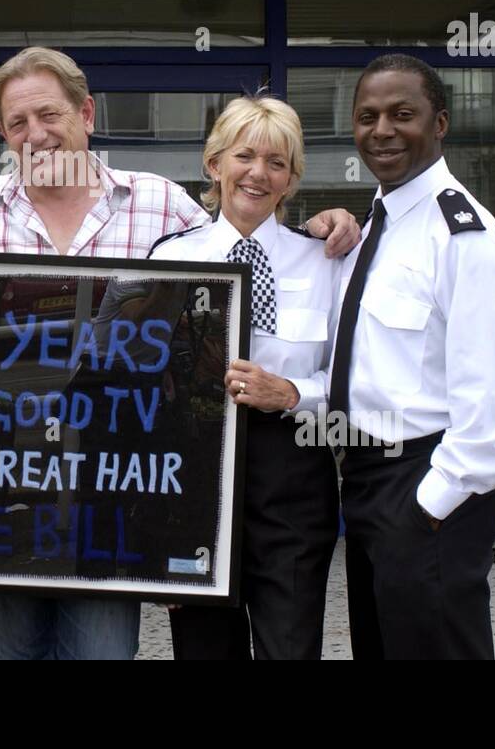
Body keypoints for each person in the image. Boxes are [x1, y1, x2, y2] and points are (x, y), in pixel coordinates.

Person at [0, 46, 362, 661]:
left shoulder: (160, 206)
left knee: (104, 651)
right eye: (18, 123)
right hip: (1, 475)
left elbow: (242, 215)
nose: (36, 134)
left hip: (112, 485)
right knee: (11, 650)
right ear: (2, 134)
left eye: (49, 114)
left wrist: (330, 221)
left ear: (86, 113)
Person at [330, 53, 495, 660]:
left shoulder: (464, 237)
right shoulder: (378, 226)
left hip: (426, 483)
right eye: (367, 116)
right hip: (368, 481)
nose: (382, 131)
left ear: (440, 123)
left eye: (403, 114)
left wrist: (428, 506)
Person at [150, 94, 341, 660]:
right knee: (205, 650)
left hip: (292, 478)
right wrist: (159, 527)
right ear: (215, 165)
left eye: (277, 163)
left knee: (290, 648)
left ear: (290, 179)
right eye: (245, 156)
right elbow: (147, 387)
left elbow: (356, 376)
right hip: (195, 472)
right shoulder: (169, 260)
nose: (259, 173)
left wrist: (294, 393)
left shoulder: (326, 259)